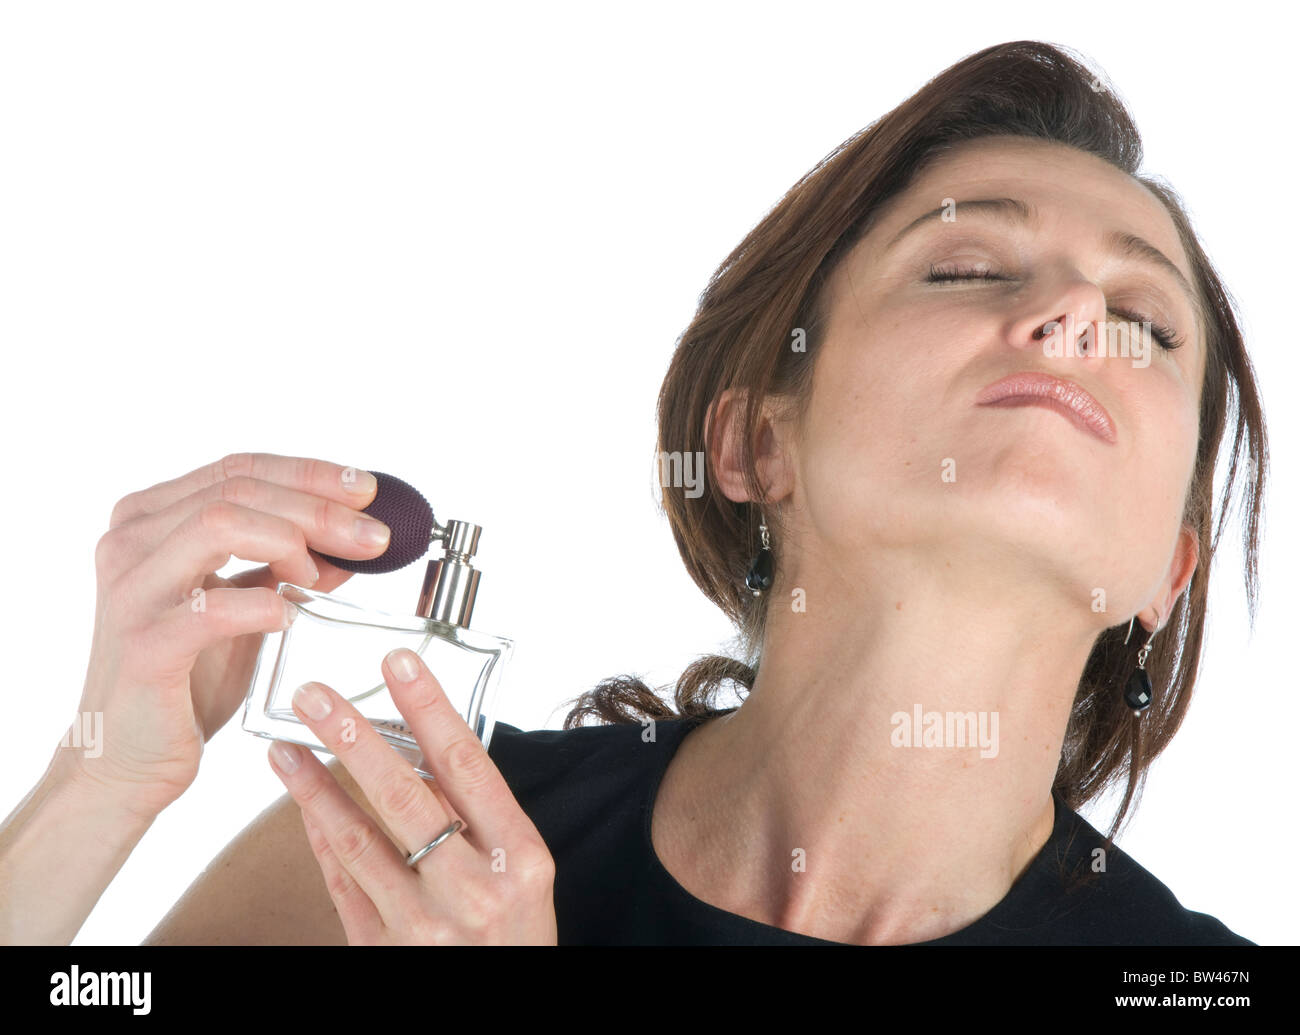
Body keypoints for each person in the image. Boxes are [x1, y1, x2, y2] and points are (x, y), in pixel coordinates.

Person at [0, 40, 1266, 946]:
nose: (1071, 318)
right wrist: (98, 784)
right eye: (969, 265)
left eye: (1145, 324)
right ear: (754, 446)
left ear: (1165, 571)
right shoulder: (415, 847)